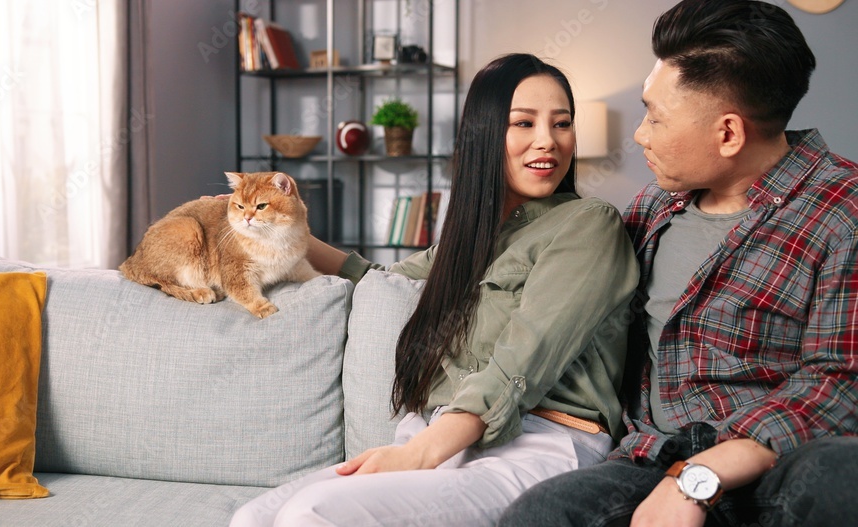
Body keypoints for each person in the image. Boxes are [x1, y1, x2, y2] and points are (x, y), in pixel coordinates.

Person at [228, 53, 639, 526]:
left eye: (562, 123)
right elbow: (377, 279)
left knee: (312, 514)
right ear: (483, 135)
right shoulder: (471, 240)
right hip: (439, 437)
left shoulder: (589, 225)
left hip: (540, 443)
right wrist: (264, 228)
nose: (547, 140)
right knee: (254, 517)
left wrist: (419, 454)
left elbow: (522, 361)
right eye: (522, 123)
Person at [498, 1, 858, 526]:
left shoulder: (844, 211)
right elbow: (550, 280)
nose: (640, 134)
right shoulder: (653, 208)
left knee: (844, 477)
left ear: (728, 133)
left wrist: (700, 479)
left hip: (774, 462)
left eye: (656, 117)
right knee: (543, 513)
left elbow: (840, 380)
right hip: (650, 461)